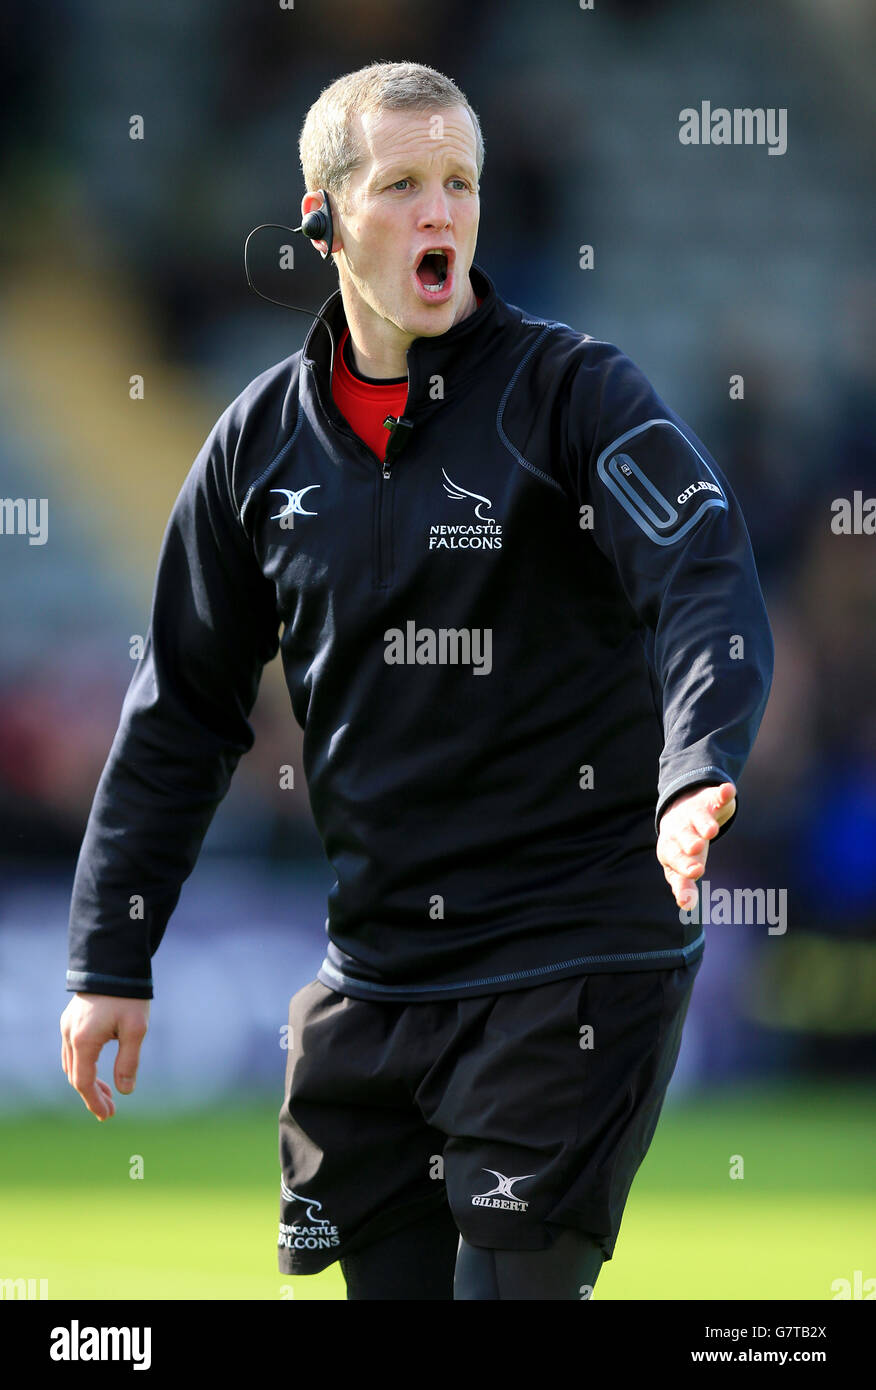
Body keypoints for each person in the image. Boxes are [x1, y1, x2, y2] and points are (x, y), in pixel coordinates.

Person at [61, 60, 774, 1300]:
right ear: (323, 219)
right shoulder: (255, 448)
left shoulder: (574, 396)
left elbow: (702, 572)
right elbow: (181, 708)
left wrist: (696, 764)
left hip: (574, 956)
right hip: (377, 978)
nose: (440, 213)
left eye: (460, 183)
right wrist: (109, 954)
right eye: (401, 186)